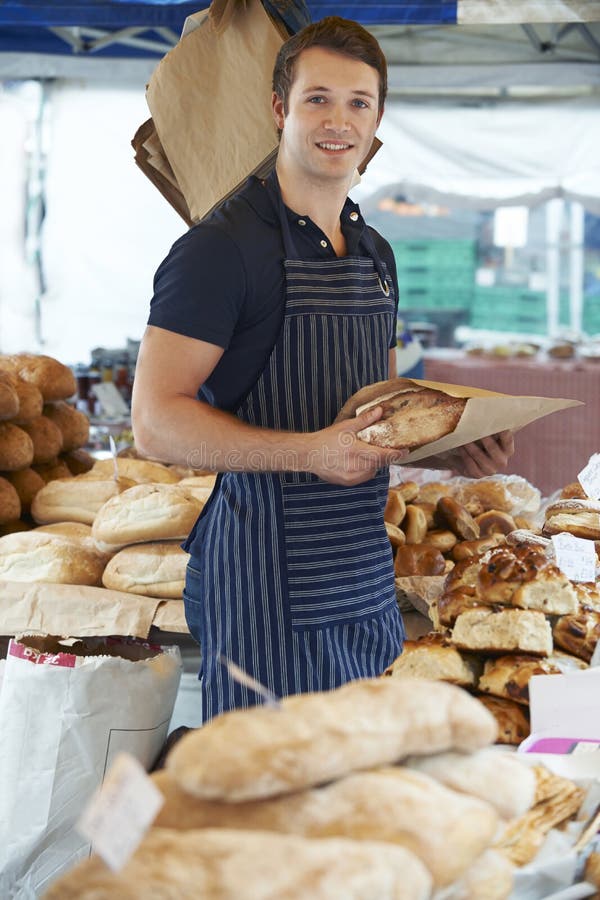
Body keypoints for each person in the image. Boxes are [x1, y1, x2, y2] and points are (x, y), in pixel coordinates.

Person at [132, 16, 514, 722]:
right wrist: (310, 452)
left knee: (354, 799)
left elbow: (380, 413)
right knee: (270, 810)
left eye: (358, 103)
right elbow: (155, 424)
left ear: (376, 120)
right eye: (318, 99)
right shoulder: (220, 251)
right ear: (280, 109)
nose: (338, 121)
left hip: (364, 579)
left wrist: (446, 447)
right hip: (261, 582)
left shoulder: (376, 254)